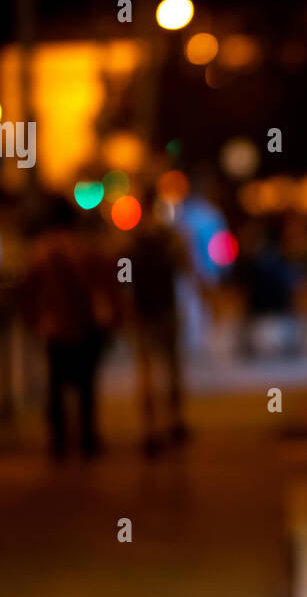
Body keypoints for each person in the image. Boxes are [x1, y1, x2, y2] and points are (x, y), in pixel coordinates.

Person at [21, 194, 120, 459]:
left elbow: (29, 290)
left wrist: (32, 321)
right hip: (84, 324)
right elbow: (105, 285)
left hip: (55, 326)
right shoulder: (87, 248)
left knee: (57, 382)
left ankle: (59, 440)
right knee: (86, 383)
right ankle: (88, 436)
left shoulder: (40, 251)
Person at [124, 184, 192, 456]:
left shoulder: (130, 239)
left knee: (146, 371)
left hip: (142, 311)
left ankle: (149, 429)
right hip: (167, 308)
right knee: (172, 366)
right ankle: (175, 421)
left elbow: (123, 277)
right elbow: (185, 268)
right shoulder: (170, 237)